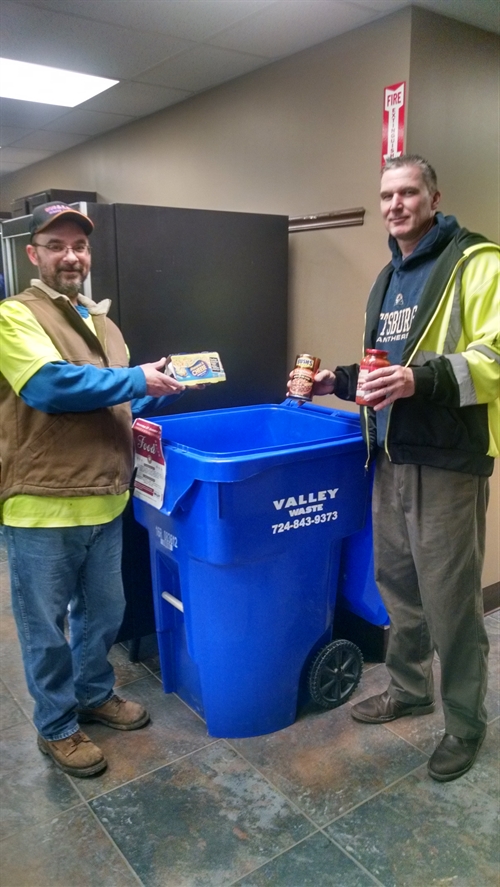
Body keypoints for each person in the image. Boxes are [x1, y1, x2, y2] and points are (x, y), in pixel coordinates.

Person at [304, 155, 499, 782]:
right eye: (387, 194)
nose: (395, 204)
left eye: (408, 192)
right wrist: (333, 381)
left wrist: (422, 379)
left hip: (447, 462)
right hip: (390, 457)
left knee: (452, 603)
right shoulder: (388, 278)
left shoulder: (477, 262)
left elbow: (491, 357)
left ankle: (465, 724)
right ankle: (410, 689)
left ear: (433, 197)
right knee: (400, 590)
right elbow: (384, 369)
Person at [0, 201, 188, 778]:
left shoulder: (104, 324)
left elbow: (114, 399)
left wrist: (155, 387)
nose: (70, 255)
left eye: (78, 246)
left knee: (103, 613)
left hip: (107, 497)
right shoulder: (15, 315)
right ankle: (56, 725)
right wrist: (133, 378)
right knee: (44, 628)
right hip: (42, 503)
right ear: (33, 255)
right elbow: (49, 387)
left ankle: (94, 693)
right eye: (55, 245)